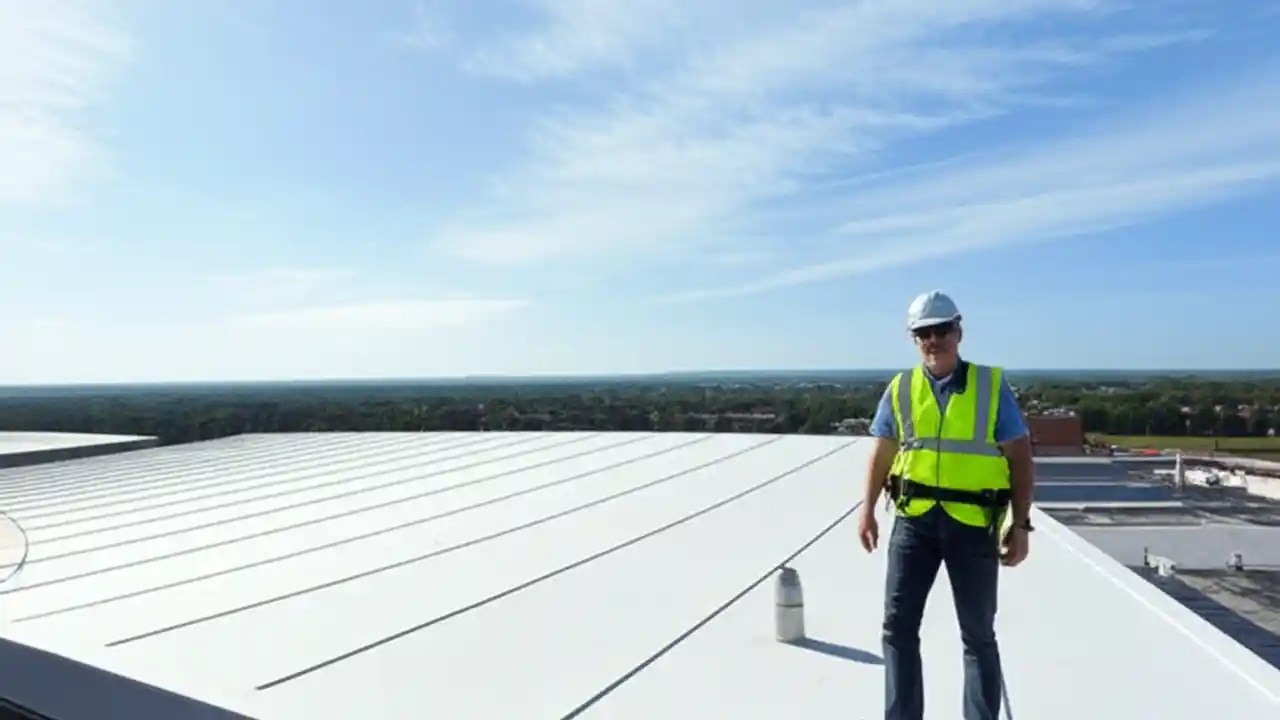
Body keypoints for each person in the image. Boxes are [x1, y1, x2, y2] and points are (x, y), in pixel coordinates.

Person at [857, 289, 1036, 720]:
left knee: (978, 636)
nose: (933, 340)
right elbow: (882, 450)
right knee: (898, 629)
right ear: (913, 339)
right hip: (913, 523)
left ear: (959, 331)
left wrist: (1021, 524)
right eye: (923, 333)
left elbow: (1020, 457)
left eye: (941, 330)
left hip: (972, 524)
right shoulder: (902, 389)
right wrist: (866, 510)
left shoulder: (991, 387)